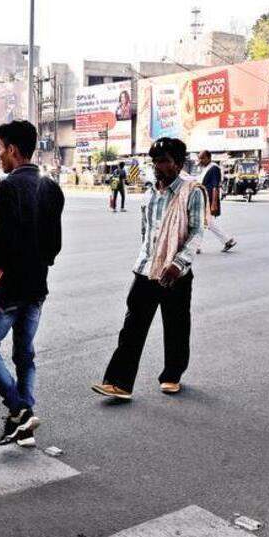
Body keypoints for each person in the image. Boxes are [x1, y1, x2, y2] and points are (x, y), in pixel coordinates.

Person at [92, 137, 206, 400]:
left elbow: (197, 231)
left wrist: (177, 264)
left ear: (177, 164)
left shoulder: (192, 191)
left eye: (164, 161)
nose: (157, 166)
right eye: (155, 161)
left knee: (176, 325)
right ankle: (119, 382)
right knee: (132, 325)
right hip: (145, 268)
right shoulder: (150, 191)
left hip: (175, 272)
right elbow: (146, 231)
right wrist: (147, 258)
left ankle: (172, 375)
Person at [0, 120, 64, 447]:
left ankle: (19, 410)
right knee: (24, 354)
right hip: (38, 286)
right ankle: (23, 421)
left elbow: (4, 246)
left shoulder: (8, 186)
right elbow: (54, 247)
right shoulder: (51, 186)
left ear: (12, 149)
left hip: (11, 288)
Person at [196, 151, 236, 252]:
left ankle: (227, 240)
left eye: (202, 158)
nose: (200, 161)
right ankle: (197, 246)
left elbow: (215, 187)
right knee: (203, 222)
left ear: (209, 158)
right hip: (203, 198)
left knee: (206, 222)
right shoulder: (205, 169)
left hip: (209, 200)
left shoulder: (214, 168)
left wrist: (214, 204)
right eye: (199, 158)